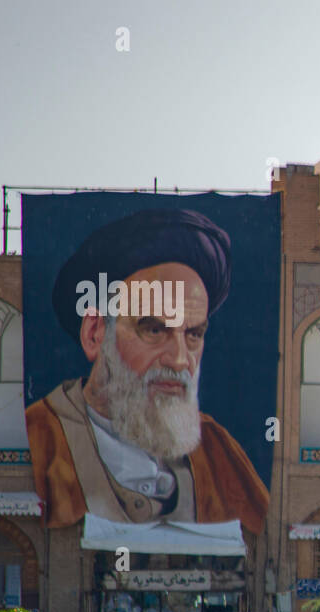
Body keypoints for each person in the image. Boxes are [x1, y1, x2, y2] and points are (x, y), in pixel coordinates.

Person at [26, 209, 268, 533]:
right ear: (95, 333)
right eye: (154, 330)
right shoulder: (36, 439)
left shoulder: (216, 449)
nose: (180, 360)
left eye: (193, 335)